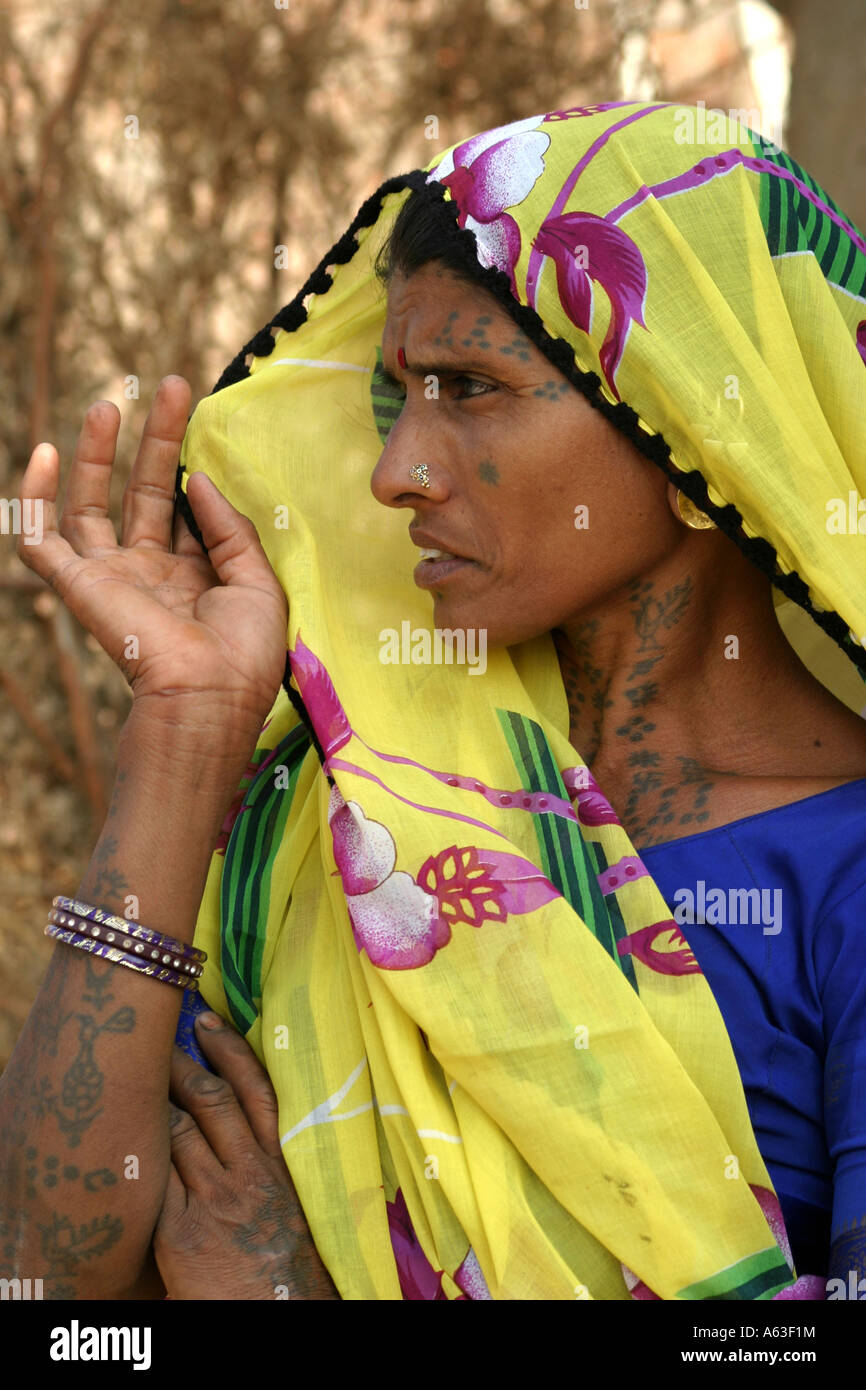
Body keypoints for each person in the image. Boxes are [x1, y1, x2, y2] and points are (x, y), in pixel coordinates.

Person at [2, 101, 865, 1300]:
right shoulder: (356, 811)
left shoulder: (840, 869)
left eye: (468, 388)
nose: (393, 470)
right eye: (399, 390)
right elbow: (49, 1291)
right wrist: (187, 731)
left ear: (694, 437)